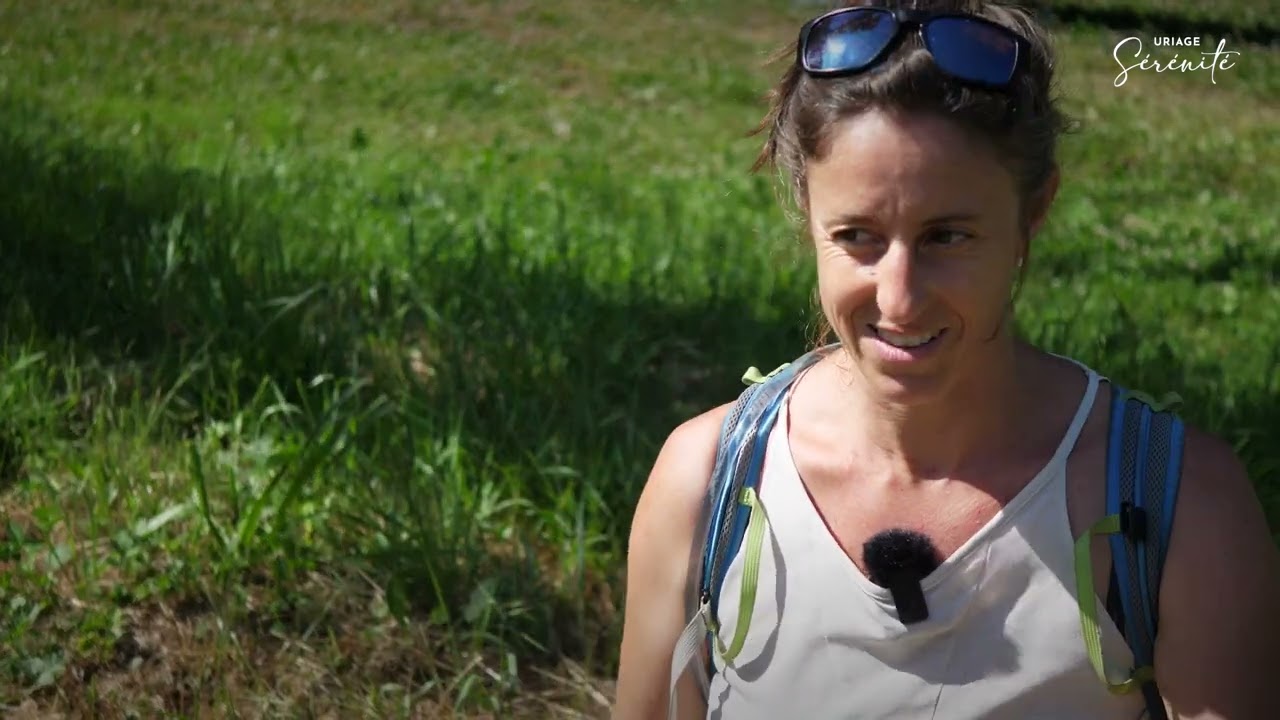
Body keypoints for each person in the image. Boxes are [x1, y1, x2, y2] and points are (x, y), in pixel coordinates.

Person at [611, 1, 1280, 719]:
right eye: (858, 236)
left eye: (947, 237)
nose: (899, 300)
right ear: (806, 212)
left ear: (1034, 214)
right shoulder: (707, 486)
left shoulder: (1179, 511)